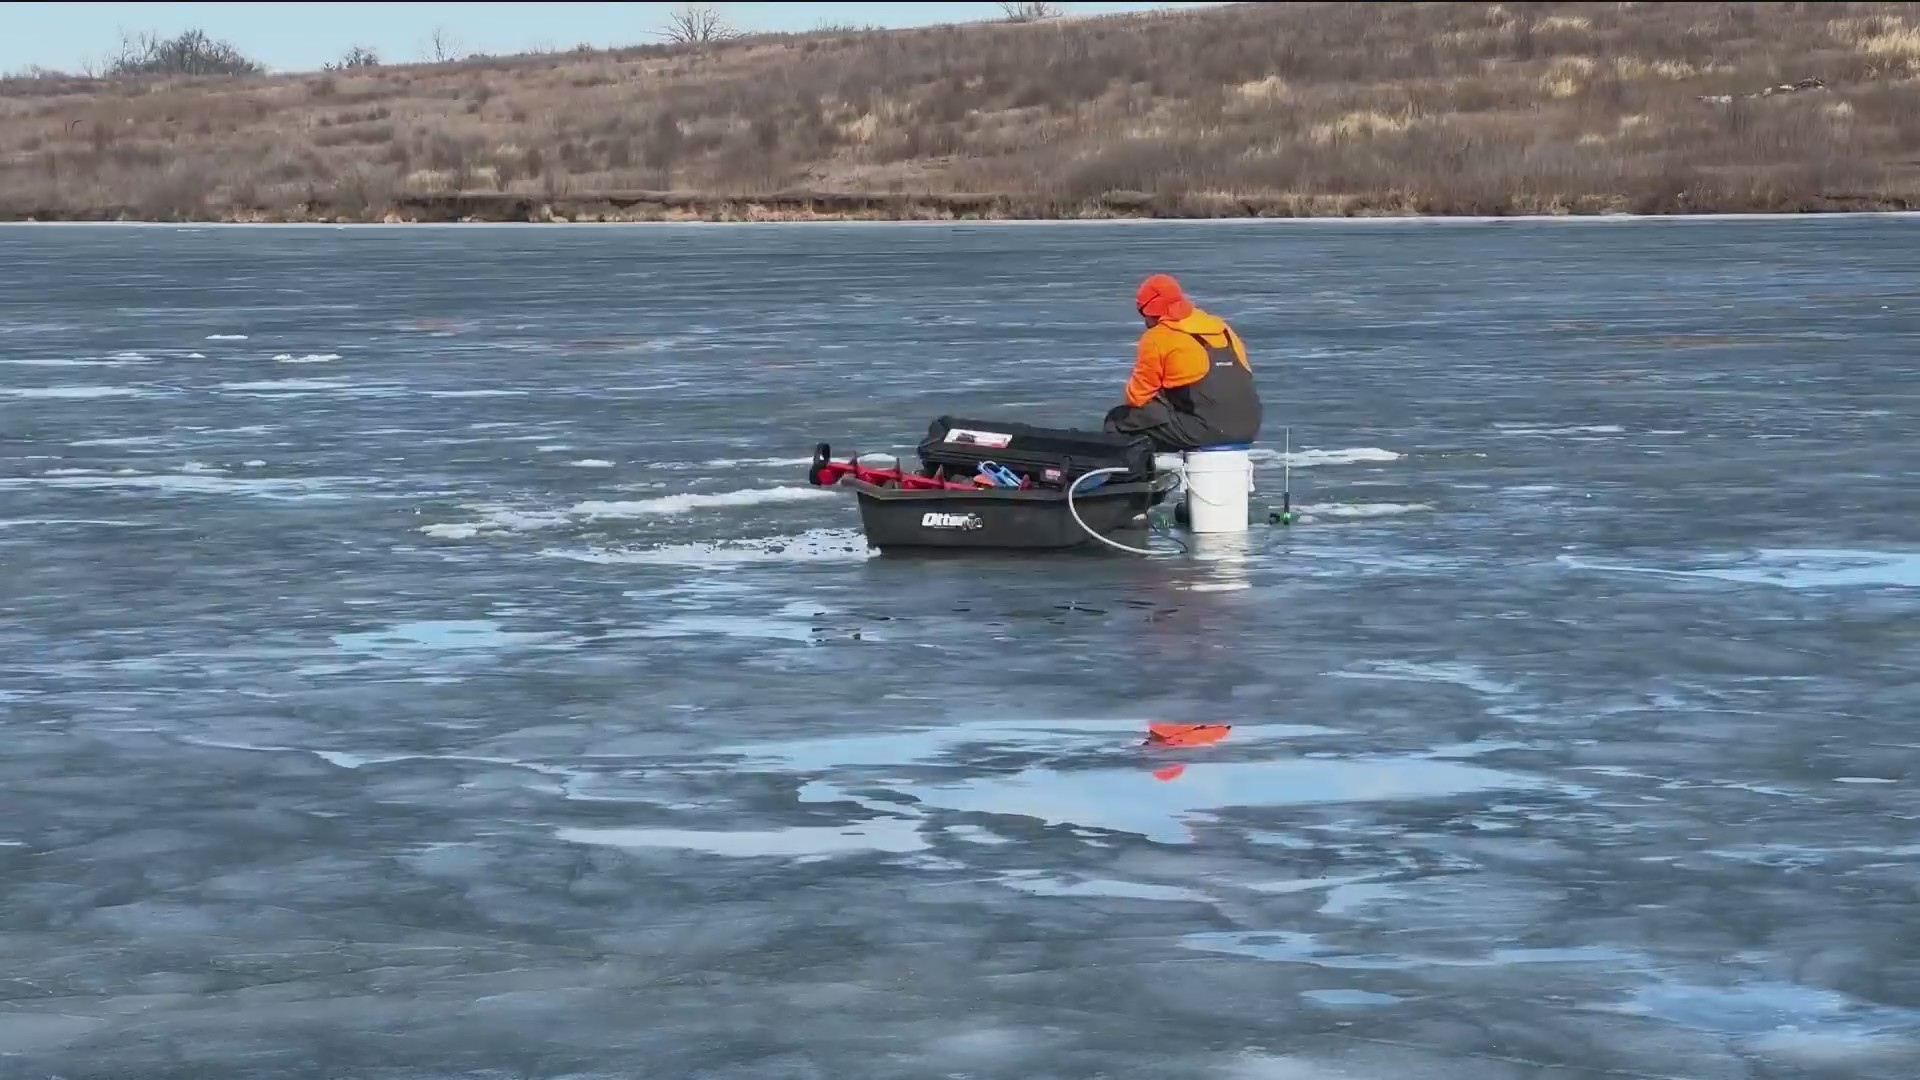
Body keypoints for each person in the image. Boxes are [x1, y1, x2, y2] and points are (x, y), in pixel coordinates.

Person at [1102, 273, 1262, 453]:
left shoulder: (1157, 337)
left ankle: (1138, 470)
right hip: (1250, 427)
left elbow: (1137, 398)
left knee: (1119, 420)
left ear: (1149, 311)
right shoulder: (1223, 328)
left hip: (1206, 430)